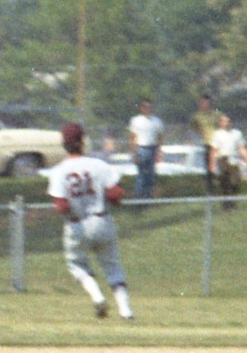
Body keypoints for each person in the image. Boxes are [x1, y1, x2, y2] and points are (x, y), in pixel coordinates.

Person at [45, 122, 133, 321]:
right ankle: (126, 311)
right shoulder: (99, 165)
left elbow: (61, 205)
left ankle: (98, 297)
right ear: (82, 141)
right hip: (102, 220)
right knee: (112, 266)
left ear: (64, 144)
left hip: (77, 224)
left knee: (77, 265)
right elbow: (115, 194)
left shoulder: (58, 171)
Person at [128, 99, 163, 202]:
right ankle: (138, 200)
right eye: (145, 107)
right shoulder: (136, 121)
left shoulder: (157, 121)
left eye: (149, 107)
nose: (147, 109)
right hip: (141, 149)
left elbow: (159, 138)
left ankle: (148, 199)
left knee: (150, 176)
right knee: (141, 176)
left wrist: (159, 152)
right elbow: (132, 138)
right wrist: (134, 154)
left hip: (152, 149)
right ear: (141, 108)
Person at [209, 112, 243, 210]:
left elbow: (241, 148)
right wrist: (212, 164)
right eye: (224, 121)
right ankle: (226, 205)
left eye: (228, 121)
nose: (226, 123)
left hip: (234, 160)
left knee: (234, 182)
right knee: (225, 182)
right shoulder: (217, 134)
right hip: (222, 160)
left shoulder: (236, 134)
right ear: (220, 123)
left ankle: (232, 203)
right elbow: (213, 150)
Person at [191, 93, 219, 194]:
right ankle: (210, 189)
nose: (204, 105)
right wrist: (201, 132)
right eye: (202, 102)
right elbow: (194, 126)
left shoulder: (216, 115)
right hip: (207, 143)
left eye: (206, 102)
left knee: (220, 165)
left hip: (218, 143)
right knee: (209, 167)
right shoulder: (197, 116)